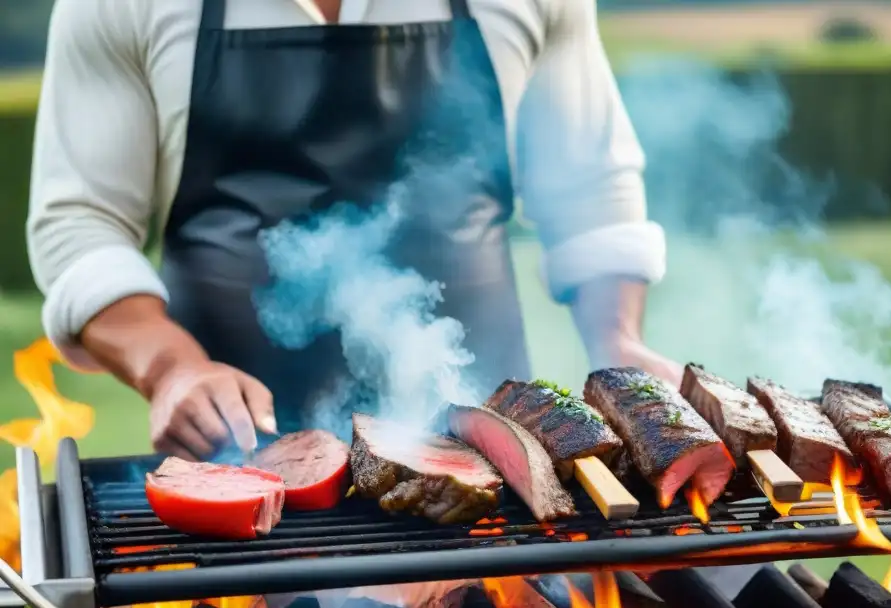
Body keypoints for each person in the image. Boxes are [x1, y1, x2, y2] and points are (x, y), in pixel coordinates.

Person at [28, 0, 681, 459]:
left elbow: (590, 194)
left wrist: (616, 340)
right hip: (240, 454)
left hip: (489, 449)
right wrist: (172, 370)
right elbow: (81, 225)